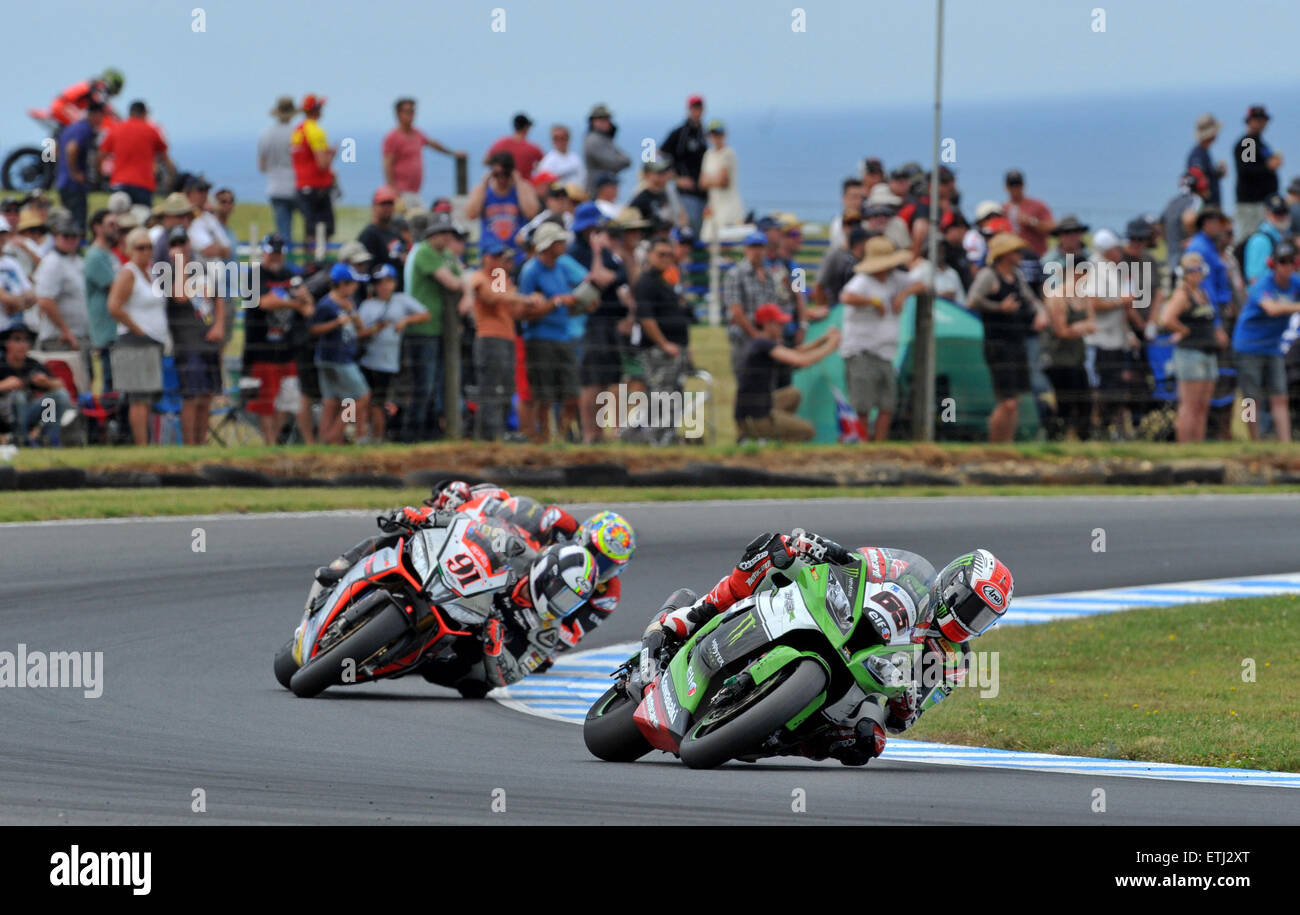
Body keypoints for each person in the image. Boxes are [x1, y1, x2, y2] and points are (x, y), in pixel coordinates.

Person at [642, 531, 1014, 765]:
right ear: (952, 585)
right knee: (776, 550)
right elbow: (859, 560)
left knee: (868, 742)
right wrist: (821, 548)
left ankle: (773, 737)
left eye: (982, 618)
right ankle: (692, 616)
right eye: (970, 606)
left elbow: (903, 721)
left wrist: (907, 702)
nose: (970, 620)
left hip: (866, 683)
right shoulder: (914, 573)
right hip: (841, 621)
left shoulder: (954, 661)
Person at [839, 236, 925, 441]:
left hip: (886, 353)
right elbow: (846, 297)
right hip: (861, 351)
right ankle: (860, 443)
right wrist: (873, 301)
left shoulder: (895, 278)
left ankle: (878, 444)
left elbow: (921, 284)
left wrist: (904, 294)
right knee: (863, 405)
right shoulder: (861, 282)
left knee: (887, 404)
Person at [969, 232, 1047, 442]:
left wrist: (1041, 313)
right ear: (1004, 254)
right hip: (998, 344)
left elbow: (1032, 300)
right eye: (1015, 251)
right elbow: (972, 301)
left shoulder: (1017, 277)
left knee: (1015, 401)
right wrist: (998, 307)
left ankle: (1006, 445)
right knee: (1007, 402)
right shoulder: (988, 276)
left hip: (1017, 342)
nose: (1020, 254)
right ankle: (994, 444)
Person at [464, 236, 543, 440]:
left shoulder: (502, 279)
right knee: (491, 389)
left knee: (507, 388)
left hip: (507, 338)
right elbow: (492, 297)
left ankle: (501, 432)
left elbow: (512, 308)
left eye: (502, 257)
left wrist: (532, 303)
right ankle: (489, 435)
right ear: (486, 258)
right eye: (496, 256)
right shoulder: (479, 277)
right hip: (489, 338)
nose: (500, 261)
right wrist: (524, 298)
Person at [517, 222, 588, 443]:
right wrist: (556, 303)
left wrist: (580, 304)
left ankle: (563, 435)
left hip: (563, 336)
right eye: (559, 241)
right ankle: (544, 437)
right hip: (540, 338)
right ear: (548, 246)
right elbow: (524, 311)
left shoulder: (561, 266)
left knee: (572, 393)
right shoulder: (531, 271)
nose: (563, 244)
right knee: (543, 394)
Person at [244, 233, 315, 444]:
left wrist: (304, 299)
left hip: (286, 351)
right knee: (264, 403)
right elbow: (265, 302)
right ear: (264, 252)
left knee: (287, 402)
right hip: (260, 351)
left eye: (278, 253)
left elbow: (309, 309)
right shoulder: (254, 275)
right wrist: (295, 304)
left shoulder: (290, 275)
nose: (275, 257)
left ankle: (273, 441)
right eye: (271, 252)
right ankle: (269, 442)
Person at [567, 204, 628, 443]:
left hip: (609, 322)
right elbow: (594, 281)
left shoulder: (605, 251)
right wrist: (595, 254)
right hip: (590, 324)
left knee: (610, 379)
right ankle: (590, 434)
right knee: (591, 380)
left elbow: (619, 275)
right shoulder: (578, 252)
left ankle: (608, 432)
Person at [734, 302, 839, 442]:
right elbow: (801, 361)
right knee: (807, 430)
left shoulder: (761, 343)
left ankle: (772, 436)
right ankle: (776, 449)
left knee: (792, 394)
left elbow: (797, 352)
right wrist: (831, 347)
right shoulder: (764, 344)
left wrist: (824, 339)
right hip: (754, 417)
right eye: (779, 324)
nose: (783, 327)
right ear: (767, 324)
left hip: (755, 409)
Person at [1232, 241, 1300, 442]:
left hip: (1273, 347)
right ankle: (1253, 440)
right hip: (1248, 347)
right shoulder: (1262, 284)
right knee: (1250, 399)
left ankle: (1285, 442)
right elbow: (1271, 308)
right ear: (1273, 264)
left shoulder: (1295, 283)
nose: (1286, 266)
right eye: (1282, 262)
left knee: (1280, 395)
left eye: (1290, 262)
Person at [106, 226, 169, 444]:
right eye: (140, 247)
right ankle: (142, 445)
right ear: (131, 249)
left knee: (148, 397)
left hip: (151, 343)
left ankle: (146, 442)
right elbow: (114, 306)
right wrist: (139, 329)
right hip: (134, 343)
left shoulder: (151, 272)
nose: (146, 251)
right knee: (139, 399)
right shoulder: (128, 272)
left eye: (149, 247)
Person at [162, 227, 224, 444]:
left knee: (207, 396)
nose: (181, 246)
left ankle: (202, 442)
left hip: (208, 340)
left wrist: (219, 325)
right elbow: (179, 295)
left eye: (183, 242)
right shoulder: (167, 269)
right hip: (187, 343)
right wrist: (180, 264)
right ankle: (190, 445)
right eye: (175, 243)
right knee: (192, 397)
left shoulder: (202, 266)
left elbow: (218, 297)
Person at [404, 213, 462, 442]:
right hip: (421, 330)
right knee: (423, 385)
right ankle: (412, 432)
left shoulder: (444, 254)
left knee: (436, 383)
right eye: (444, 233)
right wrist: (465, 284)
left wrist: (465, 285)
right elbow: (454, 281)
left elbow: (461, 278)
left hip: (437, 328)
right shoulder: (424, 252)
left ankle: (429, 429)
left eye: (450, 233)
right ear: (432, 234)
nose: (448, 237)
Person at [1159, 252, 1227, 443]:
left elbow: (1210, 320)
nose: (1195, 274)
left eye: (1198, 269)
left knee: (1203, 406)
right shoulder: (1182, 294)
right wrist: (1184, 330)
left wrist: (1217, 333)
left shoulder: (1202, 293)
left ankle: (1198, 445)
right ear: (1183, 272)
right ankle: (1185, 446)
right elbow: (1166, 318)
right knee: (1189, 405)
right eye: (1191, 270)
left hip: (1207, 352)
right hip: (1190, 354)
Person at [357, 263, 429, 442]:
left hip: (388, 363)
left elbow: (425, 314)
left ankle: (377, 439)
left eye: (388, 281)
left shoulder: (402, 300)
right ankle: (359, 436)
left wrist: (405, 320)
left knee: (377, 403)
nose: (384, 286)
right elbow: (358, 333)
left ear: (394, 282)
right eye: (380, 282)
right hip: (367, 361)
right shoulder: (367, 305)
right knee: (358, 401)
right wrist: (376, 328)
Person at [635, 236, 695, 444]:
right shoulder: (645, 282)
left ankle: (667, 437)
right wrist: (663, 344)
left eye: (669, 254)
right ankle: (656, 439)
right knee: (661, 395)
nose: (666, 258)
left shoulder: (666, 281)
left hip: (676, 349)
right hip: (658, 351)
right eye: (661, 254)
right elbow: (646, 319)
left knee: (674, 394)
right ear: (649, 255)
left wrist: (685, 347)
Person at [311, 262, 371, 444]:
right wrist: (336, 323)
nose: (356, 287)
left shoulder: (349, 303)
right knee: (360, 397)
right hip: (338, 360)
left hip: (339, 358)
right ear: (343, 284)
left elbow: (359, 329)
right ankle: (334, 435)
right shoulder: (326, 305)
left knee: (333, 401)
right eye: (353, 283)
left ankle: (326, 442)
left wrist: (353, 313)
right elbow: (313, 329)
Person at [1042, 257, 1098, 440]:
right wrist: (1082, 328)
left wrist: (1078, 327)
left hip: (1077, 357)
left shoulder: (1082, 296)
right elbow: (1062, 330)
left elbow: (1091, 323)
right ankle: (1056, 436)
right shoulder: (1057, 297)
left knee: (1085, 402)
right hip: (1059, 359)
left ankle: (1083, 439)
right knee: (1064, 403)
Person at [32, 213, 92, 383]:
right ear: (56, 236)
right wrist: (66, 331)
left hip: (79, 336)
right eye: (66, 235)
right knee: (64, 386)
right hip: (59, 338)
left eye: (74, 235)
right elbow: (45, 300)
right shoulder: (52, 262)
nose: (71, 239)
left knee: (83, 385)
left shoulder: (77, 261)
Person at [0, 323, 77, 446]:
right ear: (6, 343)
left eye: (26, 340)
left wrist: (48, 382)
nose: (22, 344)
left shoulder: (33, 364)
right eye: (17, 339)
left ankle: (49, 439)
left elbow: (60, 384)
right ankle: (21, 440)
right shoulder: (2, 364)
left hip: (28, 414)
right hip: (5, 416)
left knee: (58, 397)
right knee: (18, 397)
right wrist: (4, 385)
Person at [723, 231, 781, 378]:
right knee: (746, 378)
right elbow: (736, 312)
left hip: (765, 333)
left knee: (766, 378)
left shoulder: (770, 273)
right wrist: (756, 335)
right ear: (746, 249)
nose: (757, 251)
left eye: (760, 247)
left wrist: (771, 334)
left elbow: (773, 306)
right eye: (753, 247)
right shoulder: (736, 274)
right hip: (744, 335)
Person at [382, 98, 465, 196]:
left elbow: (433, 144)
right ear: (398, 114)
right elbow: (387, 165)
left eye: (412, 111)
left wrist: (453, 153)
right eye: (407, 111)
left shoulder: (417, 133)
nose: (411, 114)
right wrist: (393, 188)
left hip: (415, 191)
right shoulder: (392, 137)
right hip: (400, 191)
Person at [465, 152, 540, 258]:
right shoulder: (482, 190)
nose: (501, 179)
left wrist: (518, 181)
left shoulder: (523, 189)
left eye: (505, 174)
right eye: (497, 174)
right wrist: (484, 183)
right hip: (490, 253)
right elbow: (471, 214)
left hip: (517, 253)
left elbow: (531, 213)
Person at [98, 100, 173, 206]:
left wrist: (99, 176)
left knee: (118, 218)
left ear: (130, 113)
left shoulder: (116, 129)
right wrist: (171, 176)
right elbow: (164, 157)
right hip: (143, 185)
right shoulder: (152, 130)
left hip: (119, 183)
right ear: (144, 113)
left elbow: (101, 155)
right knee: (142, 218)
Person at [82, 209, 121, 391]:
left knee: (118, 382)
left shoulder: (110, 254)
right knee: (111, 383)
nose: (116, 229)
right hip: (107, 331)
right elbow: (117, 288)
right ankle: (108, 418)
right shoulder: (95, 256)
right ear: (97, 228)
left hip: (116, 329)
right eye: (111, 225)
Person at [291, 94, 337, 244]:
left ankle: (308, 265)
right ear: (316, 110)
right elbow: (322, 164)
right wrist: (332, 154)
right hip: (318, 188)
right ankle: (320, 265)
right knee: (324, 232)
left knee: (309, 232)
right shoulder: (315, 131)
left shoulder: (298, 130)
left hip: (301, 186)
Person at [55, 100, 105, 235]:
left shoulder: (71, 127)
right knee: (78, 225)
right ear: (96, 114)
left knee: (67, 223)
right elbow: (72, 149)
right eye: (102, 116)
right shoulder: (85, 129)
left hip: (62, 182)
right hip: (74, 185)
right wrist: (75, 173)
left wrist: (63, 168)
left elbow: (56, 150)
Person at [1233, 105, 1282, 239]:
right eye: (1257, 120)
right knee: (1250, 238)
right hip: (1251, 204)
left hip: (1261, 202)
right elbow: (1246, 171)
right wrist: (1268, 167)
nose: (1260, 123)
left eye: (1262, 120)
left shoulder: (1260, 143)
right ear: (1249, 121)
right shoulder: (1249, 142)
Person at [662, 96, 709, 233]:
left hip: (704, 192)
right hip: (687, 193)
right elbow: (660, 155)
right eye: (694, 108)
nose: (697, 111)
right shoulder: (681, 133)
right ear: (688, 110)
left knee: (702, 228)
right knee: (690, 228)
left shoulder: (703, 133)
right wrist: (676, 179)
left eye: (699, 108)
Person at [259, 96, 299, 246]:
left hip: (275, 187)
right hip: (296, 185)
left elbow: (262, 166)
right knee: (309, 230)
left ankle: (285, 264)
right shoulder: (296, 133)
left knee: (283, 233)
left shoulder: (265, 134)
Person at [698, 120, 743, 237]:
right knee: (707, 237)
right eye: (712, 134)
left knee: (727, 237)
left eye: (718, 134)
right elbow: (702, 182)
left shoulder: (728, 153)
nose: (715, 137)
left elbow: (723, 181)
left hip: (728, 204)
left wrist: (710, 180)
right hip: (713, 204)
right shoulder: (708, 154)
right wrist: (714, 180)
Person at [357, 186, 407, 289]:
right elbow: (364, 269)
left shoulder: (395, 233)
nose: (387, 207)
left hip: (398, 290)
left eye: (390, 203)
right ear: (374, 206)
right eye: (383, 204)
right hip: (379, 293)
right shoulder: (369, 235)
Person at [1242, 194, 1293, 284]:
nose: (1282, 217)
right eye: (1277, 213)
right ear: (1267, 214)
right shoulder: (1260, 240)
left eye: (1284, 212)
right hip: (1269, 294)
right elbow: (1254, 278)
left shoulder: (1287, 235)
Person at [45, 68, 124, 127]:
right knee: (86, 125)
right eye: (118, 87)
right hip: (63, 106)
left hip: (63, 104)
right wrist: (120, 120)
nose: (117, 91)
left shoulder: (95, 83)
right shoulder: (100, 87)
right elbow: (104, 106)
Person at [583, 104, 630, 197]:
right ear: (594, 122)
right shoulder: (593, 140)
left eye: (607, 119)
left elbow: (627, 160)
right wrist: (619, 159)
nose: (607, 122)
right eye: (602, 119)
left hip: (606, 188)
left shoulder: (604, 139)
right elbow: (613, 163)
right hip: (596, 190)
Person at [486, 113, 544, 182]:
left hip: (503, 186)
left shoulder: (500, 143)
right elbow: (545, 164)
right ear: (526, 127)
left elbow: (486, 161)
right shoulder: (533, 148)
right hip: (525, 186)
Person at [1187, 114, 1226, 207]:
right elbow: (1196, 178)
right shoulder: (1198, 155)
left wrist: (1217, 173)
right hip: (1207, 207)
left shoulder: (1203, 153)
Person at [537, 124, 584, 188]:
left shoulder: (576, 158)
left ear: (568, 139)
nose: (560, 141)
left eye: (563, 138)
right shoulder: (548, 161)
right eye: (556, 138)